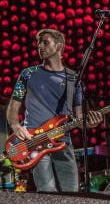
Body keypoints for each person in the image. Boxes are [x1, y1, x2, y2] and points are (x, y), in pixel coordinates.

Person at [6, 28, 103, 192]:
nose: (40, 47)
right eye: (38, 43)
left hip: (62, 142)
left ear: (59, 47)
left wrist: (91, 123)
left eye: (45, 42)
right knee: (47, 192)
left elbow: (79, 118)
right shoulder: (28, 74)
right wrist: (16, 126)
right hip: (34, 140)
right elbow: (13, 106)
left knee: (72, 192)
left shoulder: (73, 79)